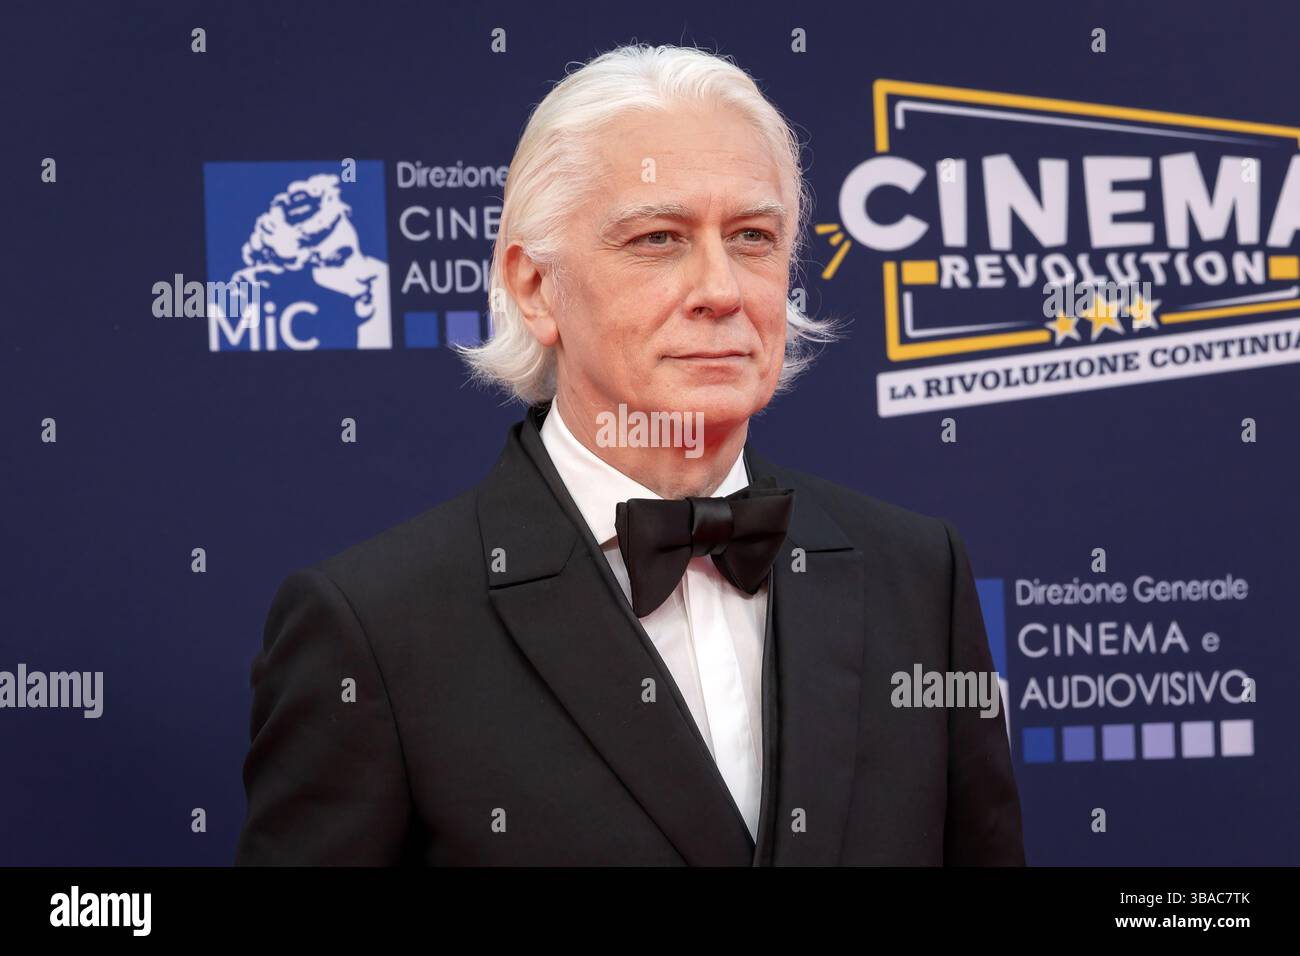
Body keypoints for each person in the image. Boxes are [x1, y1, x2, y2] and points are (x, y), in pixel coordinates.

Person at [235, 42, 1025, 866]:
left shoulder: (916, 574)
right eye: (658, 238)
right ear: (536, 288)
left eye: (753, 235)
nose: (721, 289)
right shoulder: (372, 628)